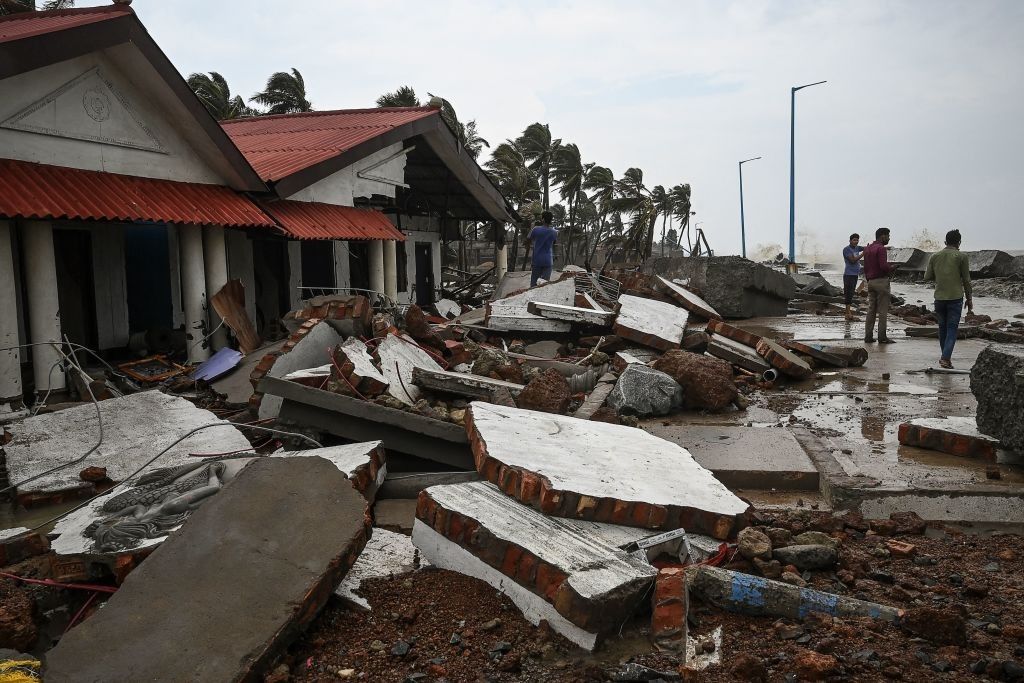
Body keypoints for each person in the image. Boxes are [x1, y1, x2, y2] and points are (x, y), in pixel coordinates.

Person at [924, 229, 973, 368]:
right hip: (955, 298)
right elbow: (967, 280)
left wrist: (940, 276)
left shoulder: (934, 256)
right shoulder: (961, 257)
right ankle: (945, 358)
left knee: (942, 328)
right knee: (952, 328)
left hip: (939, 298)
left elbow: (926, 277)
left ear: (945, 242)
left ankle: (945, 357)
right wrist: (969, 300)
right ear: (959, 242)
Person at [862, 227, 898, 344]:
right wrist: (892, 267)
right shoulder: (881, 249)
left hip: (870, 281)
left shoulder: (868, 248)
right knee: (882, 310)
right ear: (882, 236)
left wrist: (868, 279)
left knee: (871, 309)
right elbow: (883, 267)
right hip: (881, 282)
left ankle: (868, 336)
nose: (889, 238)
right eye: (888, 236)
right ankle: (882, 337)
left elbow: (866, 267)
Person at [527, 211, 558, 286]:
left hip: (537, 260)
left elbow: (528, 239)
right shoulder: (554, 232)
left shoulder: (536, 229)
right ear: (551, 220)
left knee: (534, 284)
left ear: (543, 219)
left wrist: (532, 227)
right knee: (544, 285)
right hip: (548, 261)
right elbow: (553, 243)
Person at [842, 233, 865, 320]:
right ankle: (847, 313)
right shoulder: (846, 249)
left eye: (857, 240)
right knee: (848, 293)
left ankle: (848, 312)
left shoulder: (857, 248)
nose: (856, 241)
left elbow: (868, 248)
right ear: (850, 240)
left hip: (855, 274)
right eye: (854, 240)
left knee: (851, 293)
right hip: (848, 274)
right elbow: (852, 260)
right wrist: (863, 254)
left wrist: (884, 247)